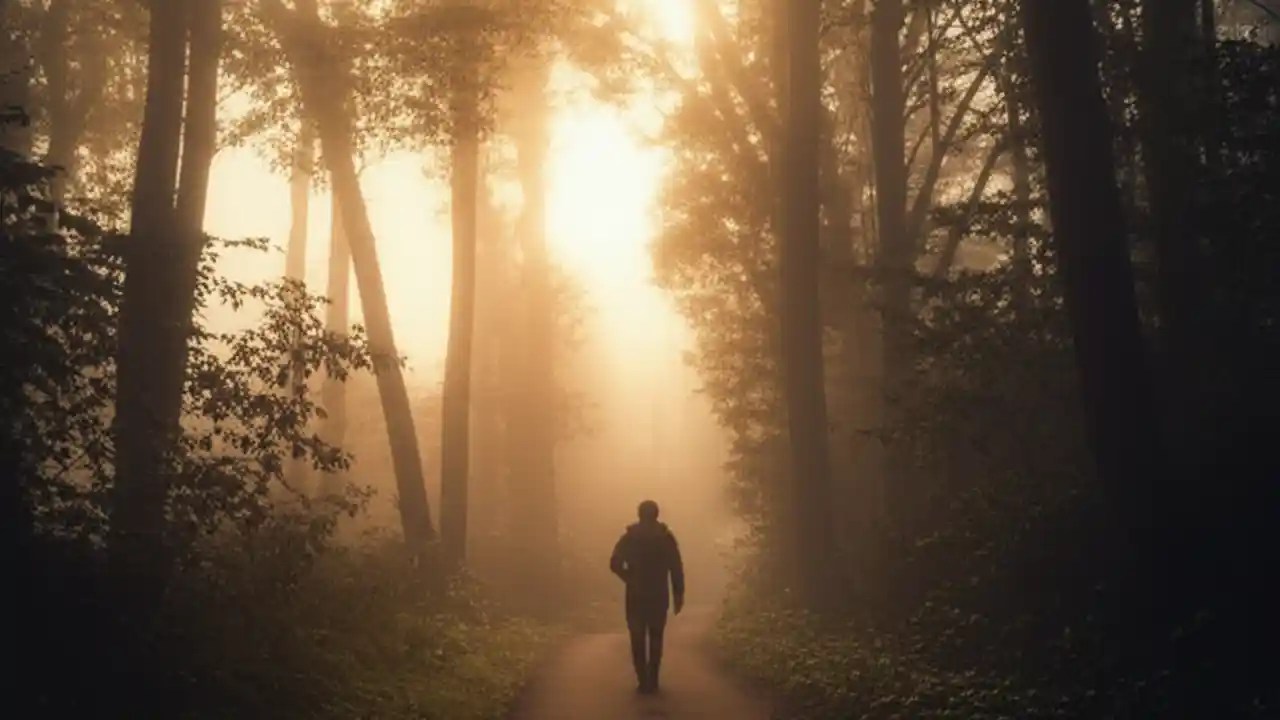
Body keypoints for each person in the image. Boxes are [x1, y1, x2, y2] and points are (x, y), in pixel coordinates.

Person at [609, 500, 685, 694]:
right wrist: (678, 595)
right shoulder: (665, 537)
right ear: (657, 514)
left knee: (637, 637)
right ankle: (653, 679)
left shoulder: (630, 537)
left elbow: (615, 562)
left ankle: (642, 680)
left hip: (635, 595)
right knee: (656, 637)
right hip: (659, 595)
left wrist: (628, 577)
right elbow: (676, 568)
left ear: (639, 514)